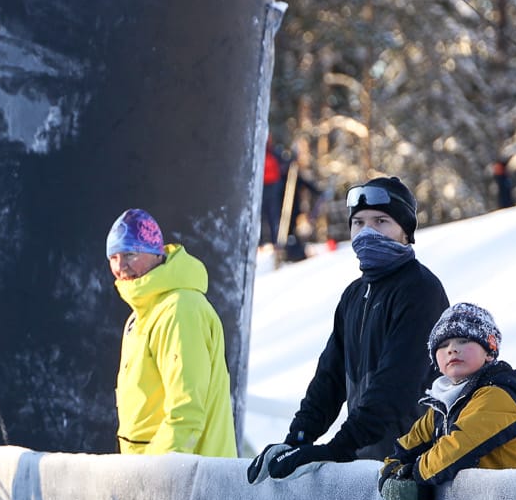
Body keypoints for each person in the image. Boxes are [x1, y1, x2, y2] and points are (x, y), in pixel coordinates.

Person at [248, 176, 450, 484]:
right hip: (368, 462)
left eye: (381, 221)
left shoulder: (421, 290)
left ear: (406, 232)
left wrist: (337, 448)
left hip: (416, 467)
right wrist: (298, 438)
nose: (367, 232)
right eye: (358, 223)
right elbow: (329, 378)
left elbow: (396, 385)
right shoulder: (355, 295)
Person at [107, 209, 235, 456]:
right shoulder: (143, 313)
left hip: (184, 479)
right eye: (113, 257)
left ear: (155, 253)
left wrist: (154, 476)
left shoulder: (179, 309)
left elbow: (185, 409)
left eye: (131, 254)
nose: (121, 266)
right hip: (152, 473)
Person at [379, 304, 516, 500]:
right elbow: (405, 447)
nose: (452, 349)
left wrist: (413, 474)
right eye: (443, 344)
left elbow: (457, 447)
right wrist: (391, 470)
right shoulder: (441, 406)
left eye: (464, 340)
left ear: (489, 352)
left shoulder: (498, 395)